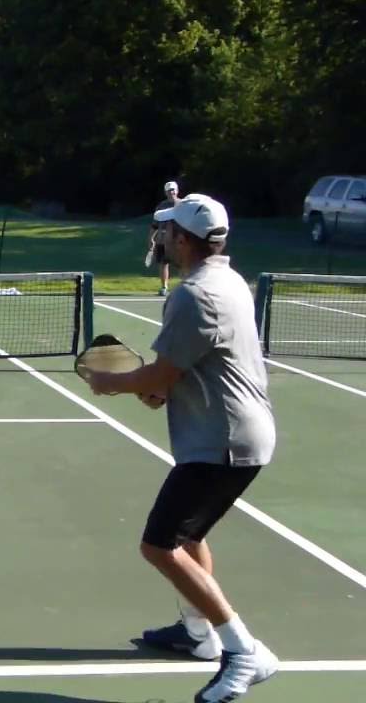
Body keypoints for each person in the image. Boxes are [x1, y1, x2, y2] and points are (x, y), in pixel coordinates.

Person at [87, 193, 278, 702]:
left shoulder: (195, 295)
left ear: (185, 240)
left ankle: (243, 652)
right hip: (232, 434)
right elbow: (175, 375)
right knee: (190, 537)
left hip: (224, 442)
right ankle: (198, 634)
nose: (162, 236)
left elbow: (159, 375)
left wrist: (112, 384)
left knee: (159, 545)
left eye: (168, 231)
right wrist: (154, 386)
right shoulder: (227, 280)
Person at [150, 181, 180, 296]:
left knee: (183, 264)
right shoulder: (161, 206)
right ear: (165, 192)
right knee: (163, 263)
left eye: (173, 190)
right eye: (169, 190)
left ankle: (186, 287)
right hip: (162, 240)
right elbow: (155, 225)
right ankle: (164, 287)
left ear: (177, 191)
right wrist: (151, 238)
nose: (171, 192)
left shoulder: (184, 205)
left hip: (178, 241)